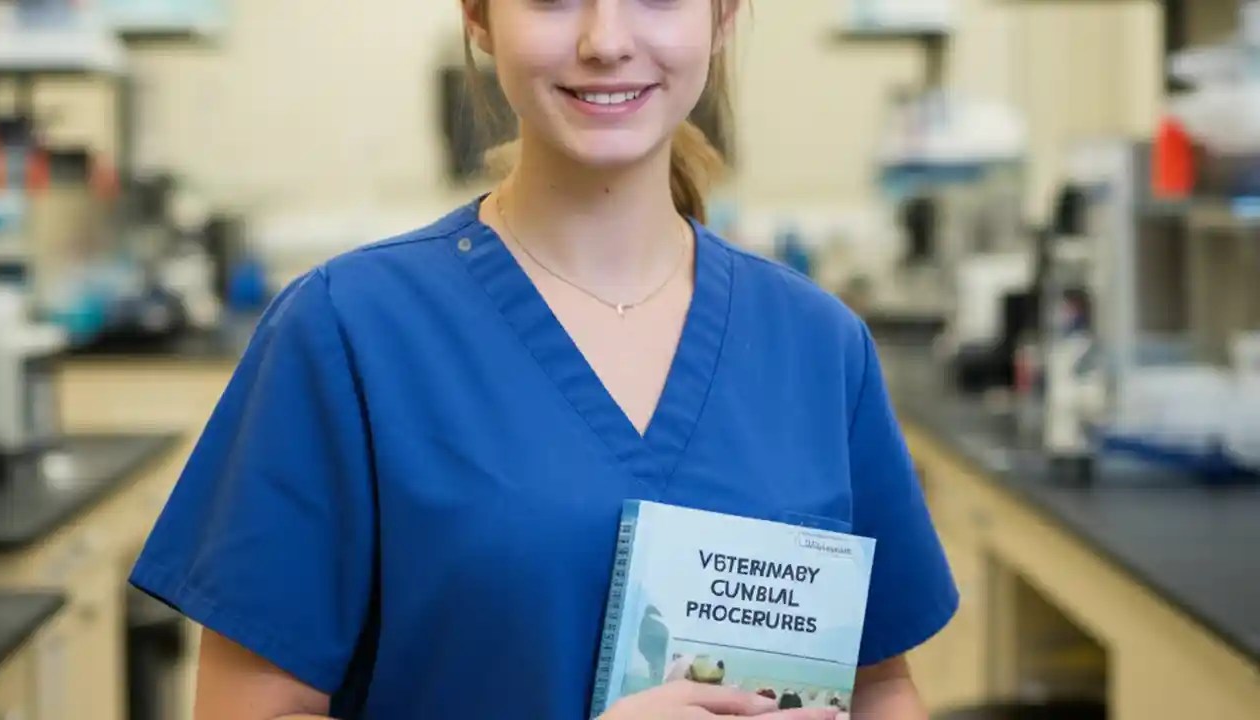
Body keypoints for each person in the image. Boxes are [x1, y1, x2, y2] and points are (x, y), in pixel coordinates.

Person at [127, 1, 959, 718]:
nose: (606, 39)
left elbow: (881, 684)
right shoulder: (349, 331)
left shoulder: (818, 346)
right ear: (480, 16)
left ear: (723, 14)